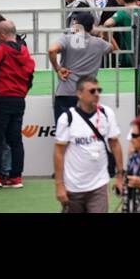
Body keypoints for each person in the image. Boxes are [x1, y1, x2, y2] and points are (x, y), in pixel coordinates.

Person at [52, 77, 124, 214]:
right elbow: (59, 153)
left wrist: (120, 176)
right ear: (79, 94)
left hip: (99, 185)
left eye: (99, 90)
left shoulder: (106, 114)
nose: (97, 94)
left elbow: (115, 145)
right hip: (73, 186)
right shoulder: (67, 118)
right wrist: (59, 185)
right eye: (92, 91)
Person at [0, 20, 34, 189]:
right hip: (18, 100)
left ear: (3, 34)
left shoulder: (2, 49)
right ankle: (15, 177)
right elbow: (30, 74)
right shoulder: (24, 50)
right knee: (15, 140)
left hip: (2, 98)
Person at [48, 11, 111, 126]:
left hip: (66, 91)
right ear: (92, 26)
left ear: (76, 24)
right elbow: (113, 48)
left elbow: (52, 50)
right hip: (88, 93)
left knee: (65, 132)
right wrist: (105, 33)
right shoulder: (99, 43)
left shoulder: (67, 39)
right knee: (86, 133)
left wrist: (57, 68)